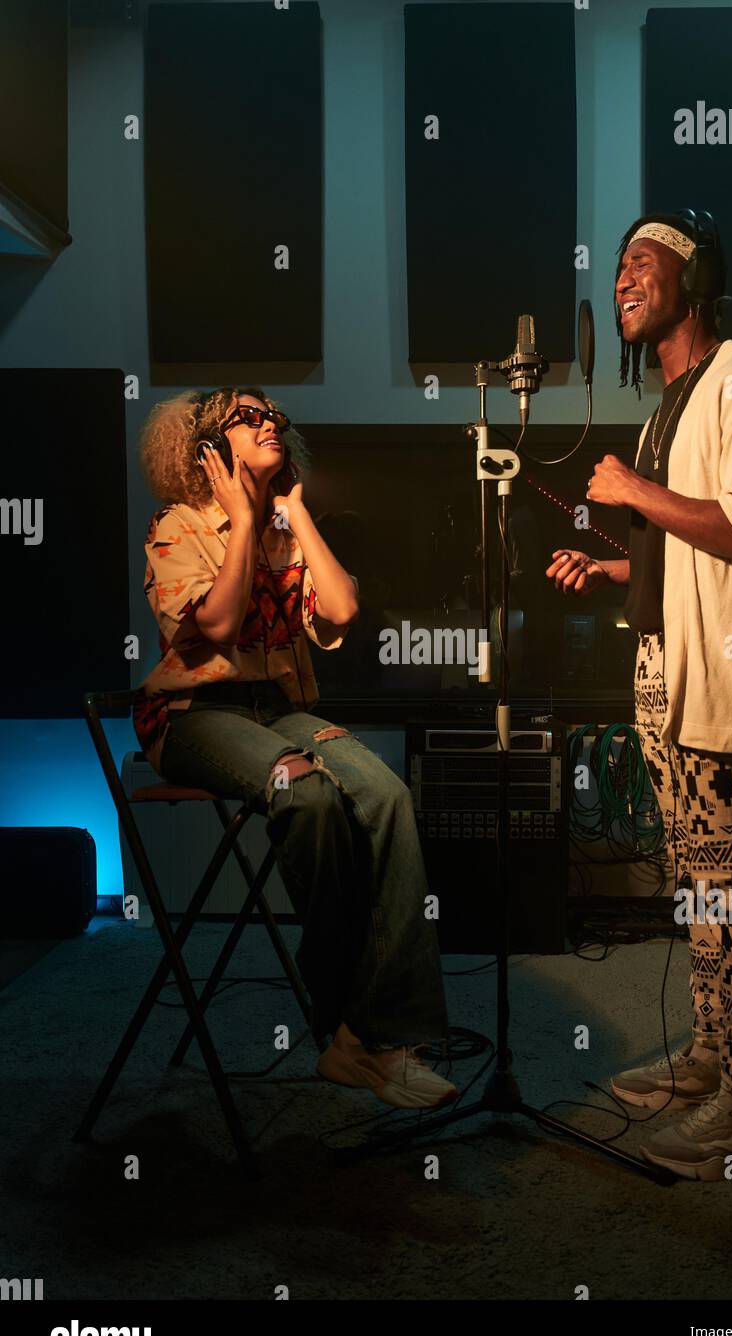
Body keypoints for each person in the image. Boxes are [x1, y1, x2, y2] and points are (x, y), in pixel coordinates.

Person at [546, 212, 732, 1180]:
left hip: (718, 682)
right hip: (663, 668)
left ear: (689, 280)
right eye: (616, 265)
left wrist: (629, 491)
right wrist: (620, 572)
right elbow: (689, 549)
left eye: (640, 263)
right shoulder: (670, 401)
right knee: (697, 885)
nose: (621, 277)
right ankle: (710, 1055)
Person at [133, 385, 456, 1110]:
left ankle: (390, 1034)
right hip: (191, 714)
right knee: (305, 793)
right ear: (208, 448)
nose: (269, 421)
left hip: (276, 709)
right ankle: (344, 1029)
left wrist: (297, 513)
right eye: (247, 416)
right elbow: (215, 628)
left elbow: (341, 608)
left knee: (387, 795)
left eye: (273, 413)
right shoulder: (176, 525)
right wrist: (243, 522)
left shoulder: (286, 529)